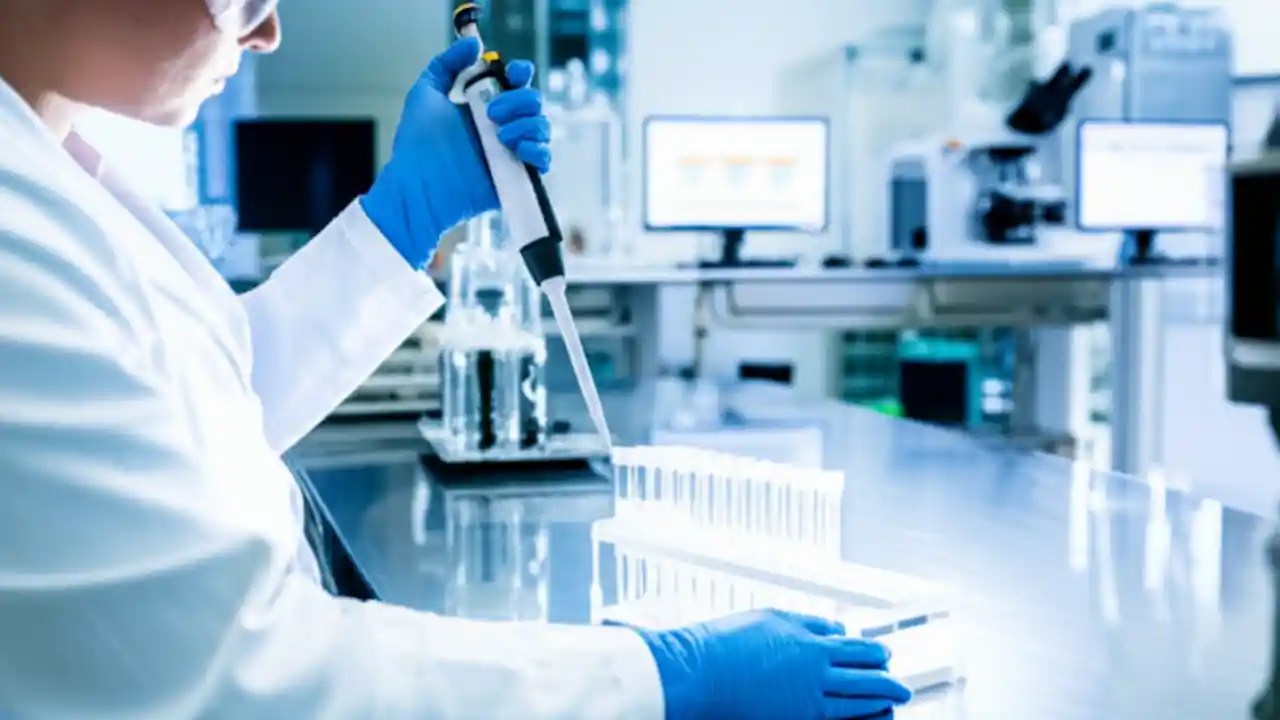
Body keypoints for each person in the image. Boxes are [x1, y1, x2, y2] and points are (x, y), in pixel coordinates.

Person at [0, 1, 912, 718]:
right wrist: (659, 678)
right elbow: (246, 676)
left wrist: (405, 215)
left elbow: (198, 410)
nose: (268, 29)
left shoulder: (49, 168)